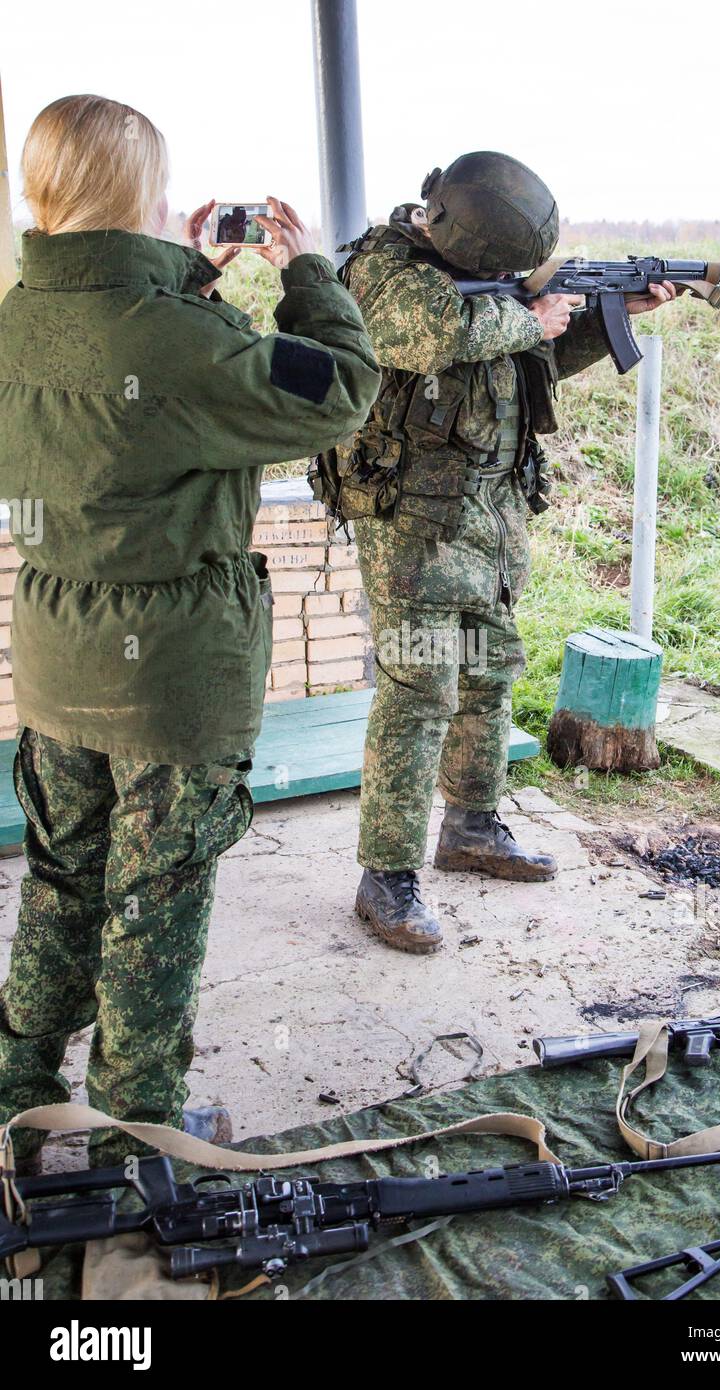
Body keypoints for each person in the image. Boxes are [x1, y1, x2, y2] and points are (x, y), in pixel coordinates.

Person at [0, 94, 380, 1169]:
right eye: (158, 189)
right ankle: (133, 1135)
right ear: (133, 194)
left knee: (62, 884)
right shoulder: (181, 343)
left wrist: (189, 273)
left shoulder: (17, 317)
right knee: (150, 912)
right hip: (169, 677)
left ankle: (17, 1099)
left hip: (59, 664)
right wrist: (309, 276)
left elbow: (128, 381)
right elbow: (339, 390)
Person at [313, 151, 679, 954]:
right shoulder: (383, 268)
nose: (519, 276)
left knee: (487, 677)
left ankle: (472, 826)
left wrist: (604, 317)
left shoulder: (498, 291)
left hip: (493, 515)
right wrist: (532, 314)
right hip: (413, 524)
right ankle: (387, 877)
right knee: (418, 695)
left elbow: (530, 362)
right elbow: (431, 333)